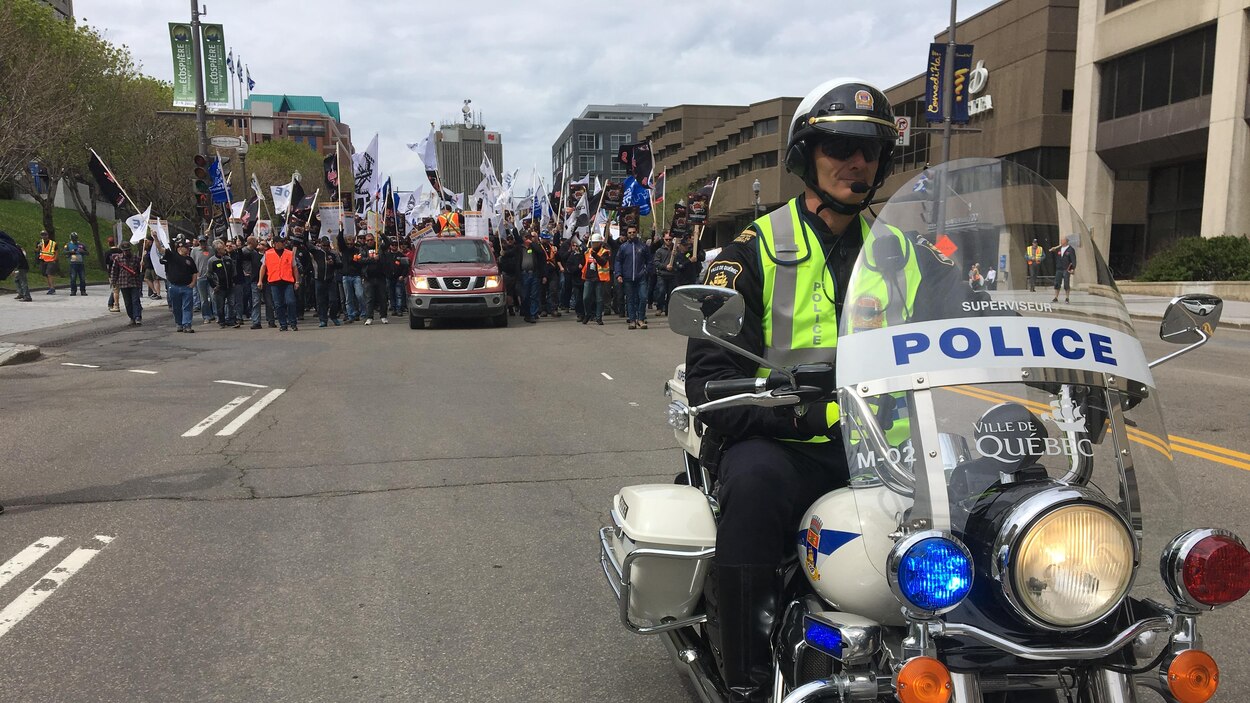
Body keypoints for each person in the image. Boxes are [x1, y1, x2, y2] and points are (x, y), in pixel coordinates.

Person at [683, 78, 961, 701]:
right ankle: (749, 678)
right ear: (806, 158)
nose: (856, 161)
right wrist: (801, 411)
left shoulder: (911, 254)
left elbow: (965, 335)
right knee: (754, 488)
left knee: (992, 492)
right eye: (838, 146)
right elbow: (708, 380)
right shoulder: (749, 252)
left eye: (869, 150)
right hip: (786, 443)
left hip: (891, 450)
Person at [257, 235, 300, 331]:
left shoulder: (289, 253)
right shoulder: (268, 253)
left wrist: (297, 281)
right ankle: (283, 324)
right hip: (274, 282)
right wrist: (260, 280)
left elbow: (295, 268)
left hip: (287, 282)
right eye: (281, 242)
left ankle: (293, 322)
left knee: (291, 302)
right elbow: (263, 267)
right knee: (278, 304)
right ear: (276, 243)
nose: (284, 243)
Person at [616, 224, 653, 329]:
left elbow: (650, 261)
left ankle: (641, 319)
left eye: (633, 232)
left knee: (643, 297)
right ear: (627, 234)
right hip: (627, 277)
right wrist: (618, 274)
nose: (632, 234)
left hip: (641, 277)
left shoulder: (643, 246)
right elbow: (618, 261)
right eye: (630, 232)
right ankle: (632, 320)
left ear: (636, 232)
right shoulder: (623, 247)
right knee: (630, 299)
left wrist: (646, 271)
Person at [158, 237, 198, 332]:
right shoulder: (172, 256)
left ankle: (187, 325)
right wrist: (155, 237)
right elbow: (160, 249)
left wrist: (193, 282)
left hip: (187, 287)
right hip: (174, 286)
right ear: (180, 248)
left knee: (187, 307)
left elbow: (194, 272)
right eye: (186, 247)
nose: (188, 249)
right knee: (176, 307)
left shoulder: (189, 259)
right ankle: (179, 323)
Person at [310, 235, 343, 327]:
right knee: (321, 301)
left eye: (327, 245)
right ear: (321, 244)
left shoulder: (333, 253)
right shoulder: (316, 252)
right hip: (319, 279)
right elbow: (306, 243)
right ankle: (323, 319)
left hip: (330, 279)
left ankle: (333, 316)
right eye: (324, 245)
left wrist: (333, 263)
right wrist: (306, 231)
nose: (326, 247)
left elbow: (340, 265)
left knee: (333, 300)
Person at [108, 240, 144, 325]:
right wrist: (113, 281)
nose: (126, 252)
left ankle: (137, 316)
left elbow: (140, 271)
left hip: (134, 282)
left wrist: (142, 266)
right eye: (124, 250)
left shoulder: (135, 258)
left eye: (127, 250)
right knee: (127, 302)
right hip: (123, 283)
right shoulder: (118, 259)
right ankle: (131, 317)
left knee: (135, 300)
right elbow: (114, 271)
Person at [581, 232, 611, 325]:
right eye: (593, 243)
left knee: (599, 299)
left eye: (596, 243)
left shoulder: (604, 252)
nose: (594, 244)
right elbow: (584, 260)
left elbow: (603, 262)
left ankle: (598, 317)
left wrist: (595, 255)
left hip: (599, 279)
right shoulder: (588, 251)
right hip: (589, 278)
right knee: (586, 298)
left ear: (600, 243)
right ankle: (588, 314)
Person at [336, 230, 365, 323]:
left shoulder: (357, 250)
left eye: (351, 243)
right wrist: (341, 230)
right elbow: (340, 240)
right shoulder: (344, 249)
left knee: (360, 295)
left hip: (356, 276)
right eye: (348, 243)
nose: (349, 245)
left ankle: (363, 313)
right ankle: (351, 315)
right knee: (348, 298)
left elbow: (361, 262)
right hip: (346, 276)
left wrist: (358, 260)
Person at [207, 240, 238, 328]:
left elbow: (233, 271)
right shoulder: (212, 261)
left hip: (230, 286)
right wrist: (214, 286)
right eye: (222, 248)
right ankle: (222, 321)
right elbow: (209, 274)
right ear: (217, 250)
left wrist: (233, 281)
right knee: (220, 305)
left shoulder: (228, 259)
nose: (224, 249)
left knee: (231, 303)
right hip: (219, 287)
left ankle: (231, 320)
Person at [518, 229, 547, 323]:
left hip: (534, 274)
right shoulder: (520, 248)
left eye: (529, 237)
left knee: (534, 295)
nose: (528, 239)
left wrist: (544, 275)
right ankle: (527, 313)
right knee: (525, 295)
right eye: (526, 237)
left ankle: (533, 314)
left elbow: (541, 255)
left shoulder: (535, 247)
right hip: (524, 274)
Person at [361, 235, 389, 325]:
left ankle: (383, 316)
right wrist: (372, 258)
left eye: (371, 240)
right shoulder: (363, 249)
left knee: (383, 298)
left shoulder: (380, 247)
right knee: (369, 298)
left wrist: (381, 234)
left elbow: (388, 243)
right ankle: (369, 317)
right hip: (368, 278)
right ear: (366, 241)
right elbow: (361, 260)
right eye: (368, 240)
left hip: (380, 277)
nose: (370, 241)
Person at [192, 235, 216, 323]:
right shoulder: (194, 251)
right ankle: (206, 316)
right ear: (198, 242)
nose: (202, 243)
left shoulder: (211, 250)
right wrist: (195, 274)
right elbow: (192, 263)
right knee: (203, 299)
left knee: (213, 297)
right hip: (200, 278)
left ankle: (216, 314)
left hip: (211, 277)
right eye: (201, 242)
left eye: (204, 241)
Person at [652, 231, 677, 316]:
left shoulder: (676, 249)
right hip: (662, 275)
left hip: (672, 275)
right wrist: (665, 266)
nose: (668, 241)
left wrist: (677, 255)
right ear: (663, 239)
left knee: (671, 293)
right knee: (661, 291)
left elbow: (686, 255)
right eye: (666, 239)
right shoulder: (659, 251)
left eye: (670, 239)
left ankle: (668, 309)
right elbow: (656, 262)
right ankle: (659, 307)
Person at [1051, 235, 1076, 303]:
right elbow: (1054, 253)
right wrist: (1053, 250)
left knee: (1066, 284)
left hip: (1066, 269)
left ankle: (1067, 298)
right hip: (1059, 268)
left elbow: (1073, 260)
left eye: (1062, 241)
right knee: (1057, 283)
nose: (1061, 242)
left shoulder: (1070, 249)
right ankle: (1056, 297)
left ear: (1066, 241)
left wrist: (1072, 268)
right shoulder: (1059, 249)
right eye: (1061, 241)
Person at [10, 233, 32, 302]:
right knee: (17, 280)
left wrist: (13, 269)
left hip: (22, 267)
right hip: (20, 266)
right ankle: (21, 293)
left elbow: (16, 260)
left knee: (23, 281)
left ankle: (27, 296)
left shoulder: (14, 249)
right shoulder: (16, 247)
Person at [104, 236, 121, 311]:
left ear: (108, 243)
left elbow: (106, 263)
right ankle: (111, 303)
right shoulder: (120, 251)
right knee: (116, 289)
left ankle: (114, 305)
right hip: (120, 271)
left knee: (115, 289)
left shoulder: (108, 253)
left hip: (112, 272)